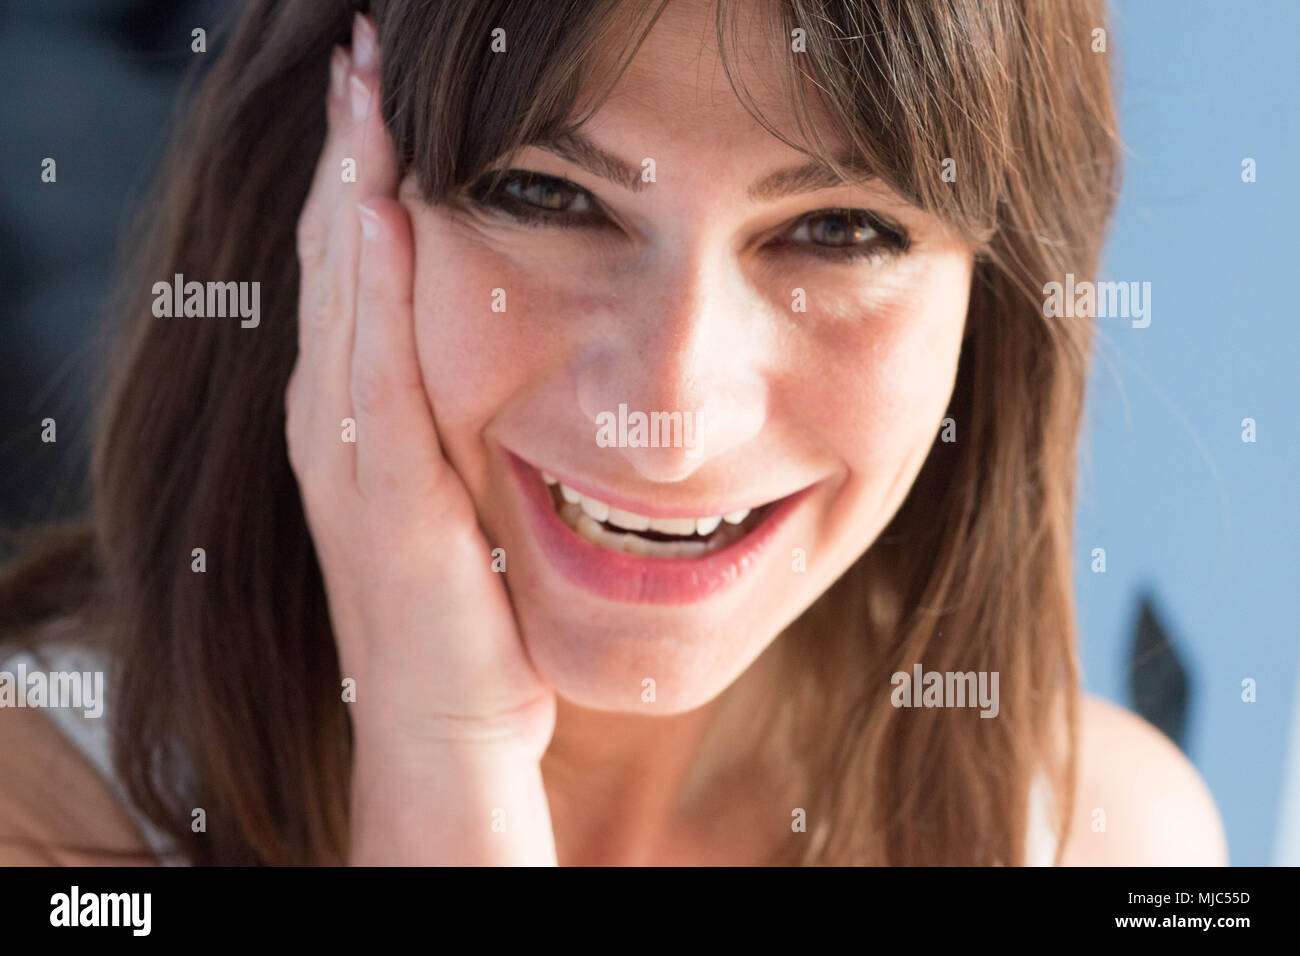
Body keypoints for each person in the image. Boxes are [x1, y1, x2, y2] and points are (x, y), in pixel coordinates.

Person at [0, 0, 1226, 866]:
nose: (670, 422)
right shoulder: (45, 817)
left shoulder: (1097, 831)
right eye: (544, 193)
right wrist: (443, 764)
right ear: (323, 204)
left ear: (993, 298)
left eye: (842, 229)